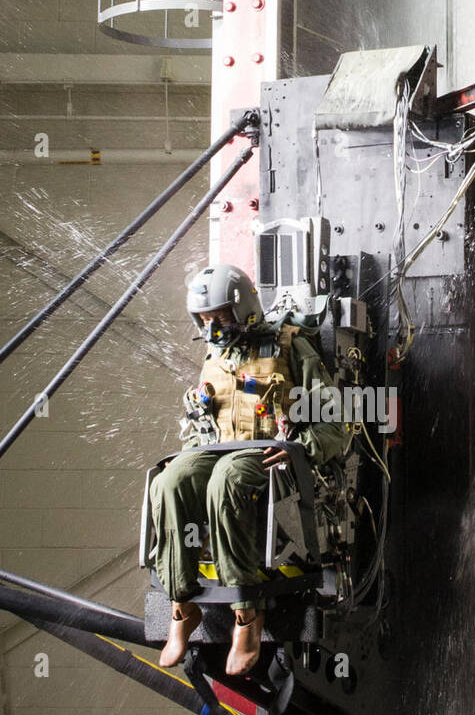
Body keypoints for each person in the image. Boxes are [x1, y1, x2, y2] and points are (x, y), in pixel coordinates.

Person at [149, 264, 348, 676]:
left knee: (228, 479)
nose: (210, 327)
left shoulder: (291, 347)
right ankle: (182, 605)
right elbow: (201, 429)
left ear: (242, 310)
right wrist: (186, 457)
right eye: (203, 320)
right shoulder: (214, 358)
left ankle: (246, 613)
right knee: (169, 480)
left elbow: (335, 425)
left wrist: (300, 449)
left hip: (271, 454)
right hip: (219, 450)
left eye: (217, 317)